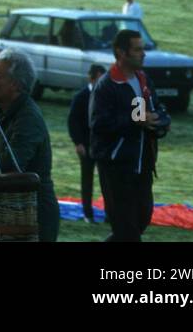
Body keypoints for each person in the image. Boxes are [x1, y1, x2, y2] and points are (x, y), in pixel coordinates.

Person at [0, 49, 60, 241]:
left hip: (34, 215)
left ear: (15, 84)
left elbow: (11, 165)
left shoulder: (29, 119)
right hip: (6, 211)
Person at [89, 29, 170, 243]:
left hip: (143, 163)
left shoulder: (143, 80)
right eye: (137, 49)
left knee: (142, 219)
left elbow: (159, 110)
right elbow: (99, 125)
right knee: (127, 229)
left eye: (143, 49)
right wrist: (135, 121)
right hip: (116, 166)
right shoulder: (107, 85)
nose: (143, 54)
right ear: (121, 52)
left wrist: (159, 123)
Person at [67, 63, 105, 221]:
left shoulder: (106, 96)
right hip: (87, 145)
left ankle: (110, 212)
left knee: (106, 181)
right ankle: (88, 213)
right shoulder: (81, 97)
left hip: (103, 145)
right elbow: (73, 121)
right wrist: (78, 143)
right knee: (87, 180)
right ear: (92, 77)